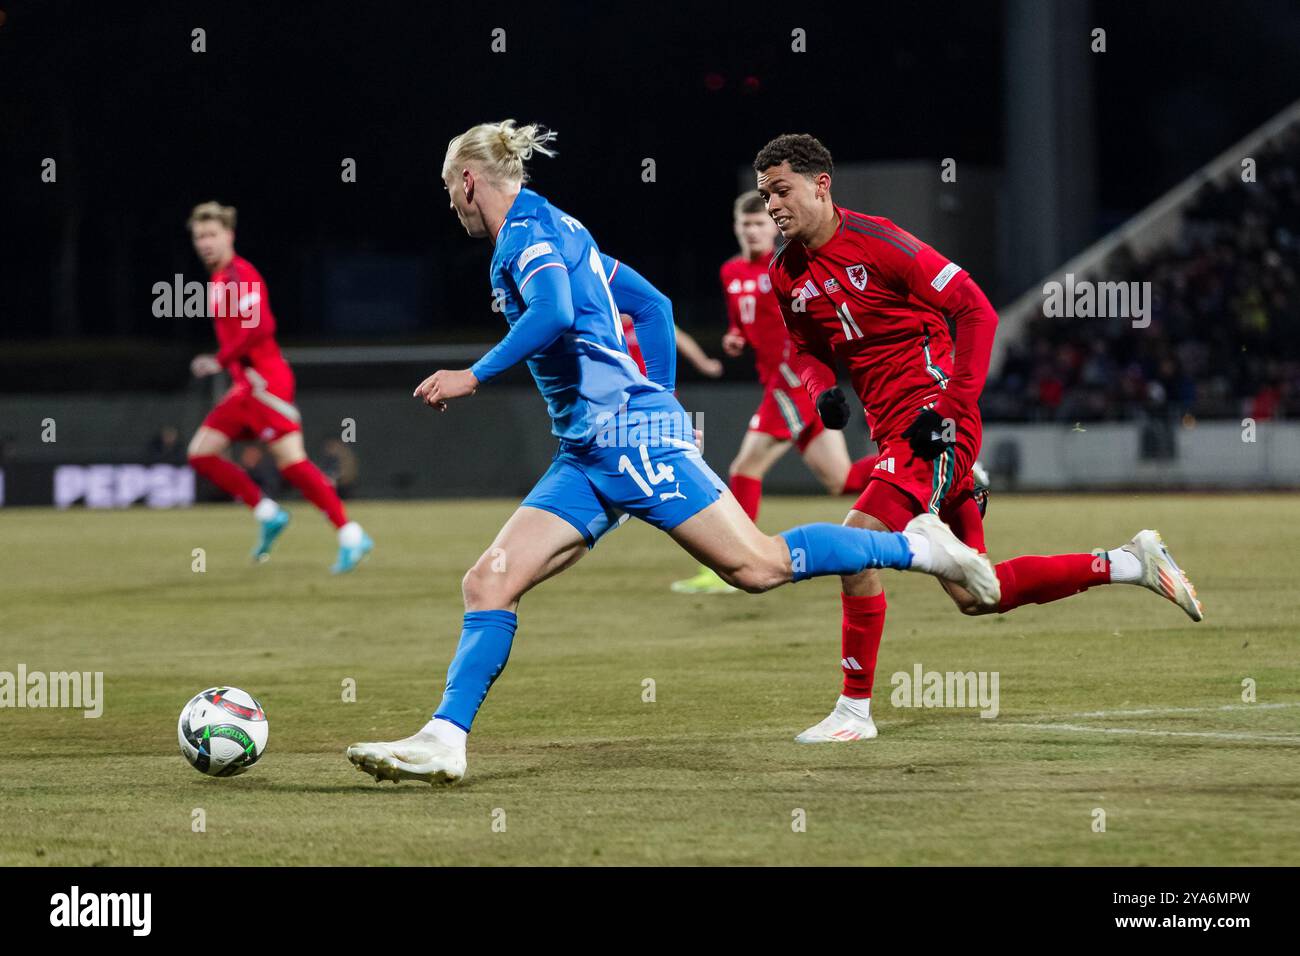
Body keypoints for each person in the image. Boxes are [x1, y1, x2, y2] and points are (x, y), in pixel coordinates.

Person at [345, 120, 1000, 785]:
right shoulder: (562, 228)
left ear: (466, 180)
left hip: (625, 439)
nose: (452, 204)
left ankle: (923, 550)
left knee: (757, 568)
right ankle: (445, 738)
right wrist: (654, 399)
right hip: (590, 451)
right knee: (488, 581)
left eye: (449, 189)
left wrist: (476, 376)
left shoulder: (527, 237)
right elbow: (653, 305)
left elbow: (551, 314)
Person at [754, 133, 1203, 743]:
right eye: (764, 196)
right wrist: (819, 391)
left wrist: (954, 411)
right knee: (976, 598)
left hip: (934, 420)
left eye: (781, 191)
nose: (772, 206)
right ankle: (1130, 562)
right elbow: (806, 349)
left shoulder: (882, 242)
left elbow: (976, 311)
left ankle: (854, 712)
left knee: (852, 546)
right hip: (894, 432)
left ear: (821, 185)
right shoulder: (786, 272)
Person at [672, 190, 881, 595]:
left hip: (795, 382)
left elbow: (811, 321)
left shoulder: (786, 266)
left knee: (744, 468)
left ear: (773, 227)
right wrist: (735, 337)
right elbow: (741, 323)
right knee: (841, 480)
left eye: (759, 224)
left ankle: (735, 563)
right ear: (736, 227)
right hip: (777, 383)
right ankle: (927, 464)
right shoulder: (730, 272)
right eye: (745, 224)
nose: (752, 231)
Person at [184, 202, 372, 573]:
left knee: (293, 464)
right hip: (246, 387)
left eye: (211, 235)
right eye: (199, 236)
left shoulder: (241, 275)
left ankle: (350, 534)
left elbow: (262, 326)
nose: (204, 243)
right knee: (202, 453)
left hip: (266, 384)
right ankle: (270, 513)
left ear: (229, 236)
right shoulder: (220, 279)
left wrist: (220, 360)